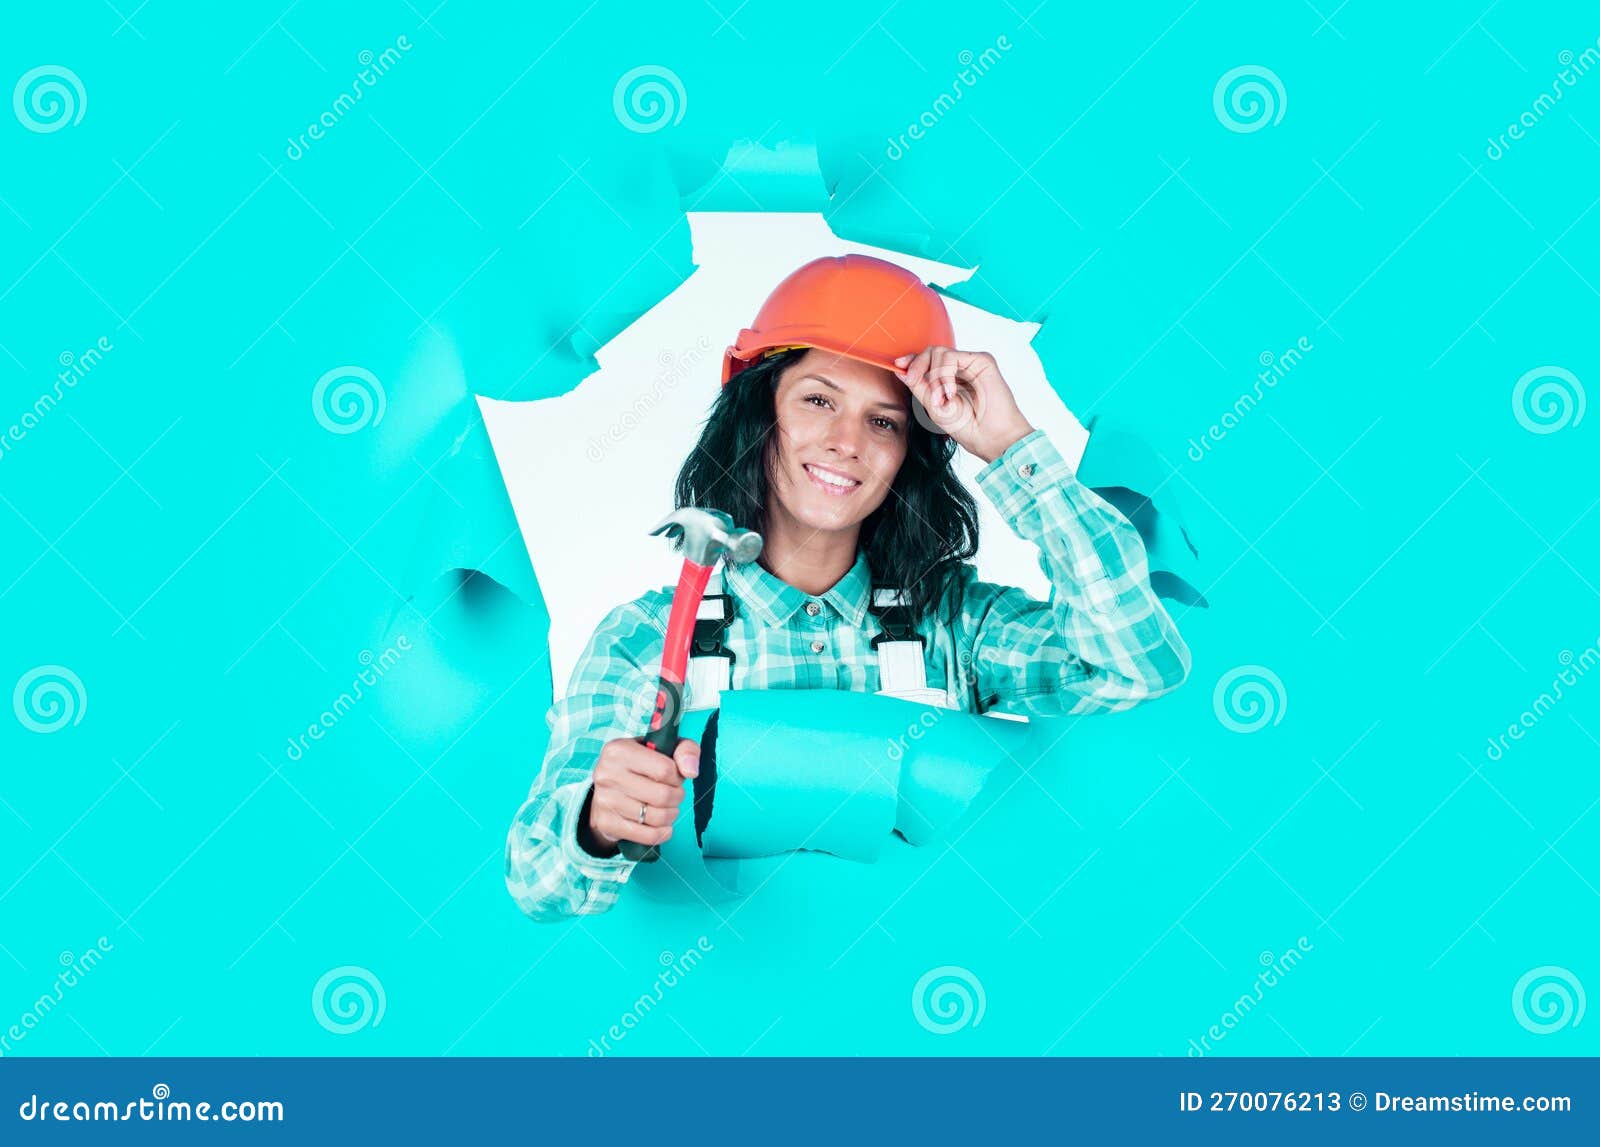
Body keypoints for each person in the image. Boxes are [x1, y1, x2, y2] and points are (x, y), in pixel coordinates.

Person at [506, 254, 1191, 921]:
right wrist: (597, 819)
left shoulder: (956, 628)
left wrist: (1012, 446)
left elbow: (1132, 664)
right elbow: (538, 879)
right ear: (757, 416)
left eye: (883, 420)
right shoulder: (646, 643)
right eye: (817, 399)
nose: (847, 441)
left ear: (909, 453)